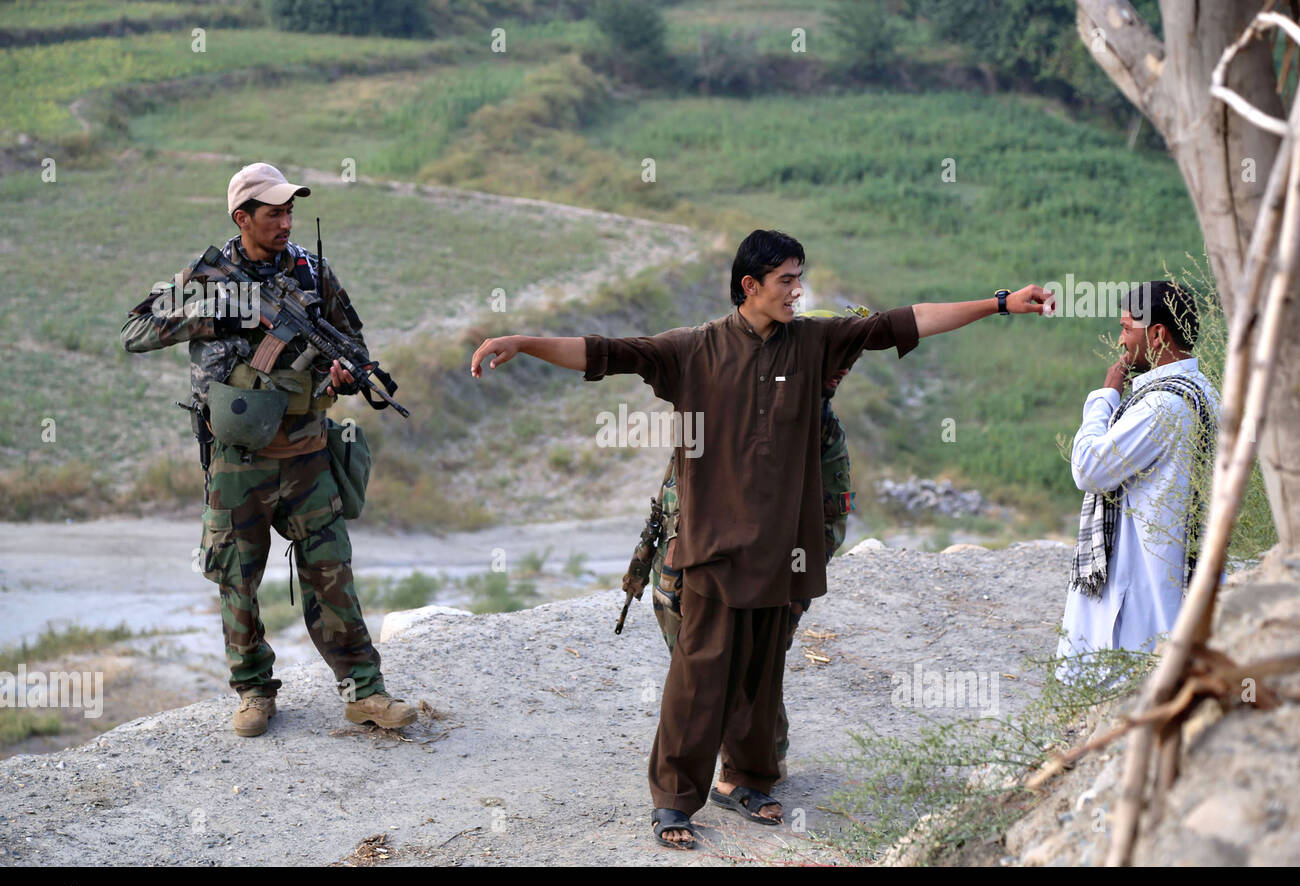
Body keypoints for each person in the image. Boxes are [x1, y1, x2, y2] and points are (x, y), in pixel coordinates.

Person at [470, 228, 1049, 848]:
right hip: (714, 546)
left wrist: (999, 302)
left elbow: (905, 322)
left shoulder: (817, 341)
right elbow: (605, 352)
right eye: (786, 281)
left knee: (761, 672)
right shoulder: (693, 351)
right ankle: (674, 803)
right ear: (750, 286)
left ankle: (746, 780)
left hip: (783, 547)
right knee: (698, 675)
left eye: (800, 278)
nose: (798, 292)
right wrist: (523, 343)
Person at [121, 162, 417, 738]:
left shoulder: (312, 271)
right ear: (242, 218)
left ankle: (365, 692)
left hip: (307, 454)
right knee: (238, 578)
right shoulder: (208, 279)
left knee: (332, 572)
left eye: (289, 212)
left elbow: (352, 340)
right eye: (273, 213)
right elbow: (135, 332)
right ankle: (254, 691)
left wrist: (345, 374)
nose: (285, 222)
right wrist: (221, 311)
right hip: (239, 461)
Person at [650, 360, 854, 781]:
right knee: (698, 674)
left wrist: (799, 590)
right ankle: (684, 786)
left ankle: (754, 765)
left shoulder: (823, 429)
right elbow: (678, 487)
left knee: (755, 669)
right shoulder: (731, 402)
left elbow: (830, 518)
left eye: (845, 368)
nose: (838, 377)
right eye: (831, 366)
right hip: (686, 566)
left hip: (767, 575)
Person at [1058, 280, 1221, 682]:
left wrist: (1104, 396)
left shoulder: (1162, 406)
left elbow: (1088, 468)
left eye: (1126, 328)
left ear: (1157, 334)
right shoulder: (1205, 393)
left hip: (1141, 592)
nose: (1119, 341)